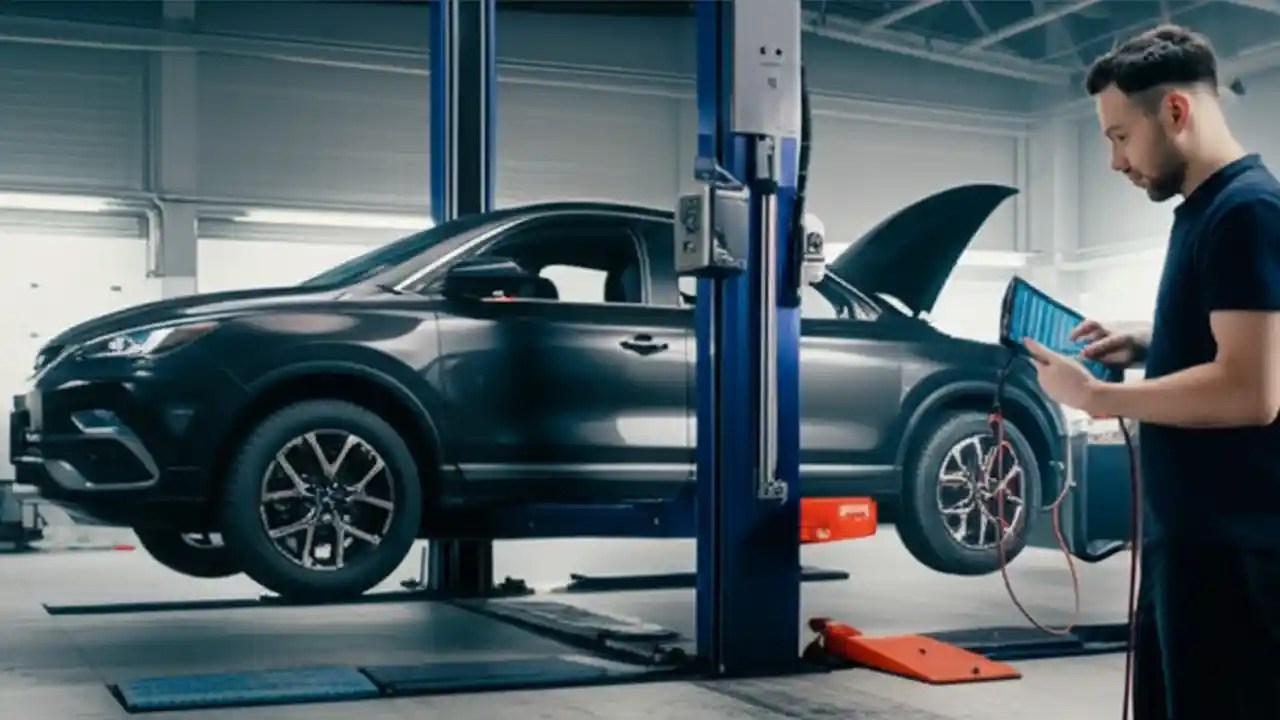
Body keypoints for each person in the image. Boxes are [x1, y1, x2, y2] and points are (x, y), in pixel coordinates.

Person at [1022, 24, 1280, 719]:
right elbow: (1233, 342)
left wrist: (1097, 397)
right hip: (1191, 545)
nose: (1115, 161)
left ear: (1174, 111)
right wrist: (1150, 341)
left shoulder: (1247, 212)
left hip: (1234, 558)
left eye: (1119, 137)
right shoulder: (1207, 210)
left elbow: (1252, 391)